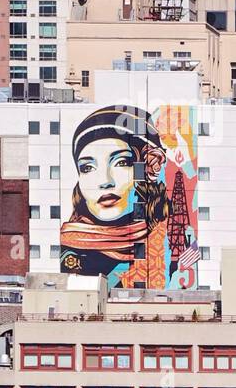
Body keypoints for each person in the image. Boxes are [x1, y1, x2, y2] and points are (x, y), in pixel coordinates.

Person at [58, 106, 175, 287]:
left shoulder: (171, 239)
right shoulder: (72, 247)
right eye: (87, 168)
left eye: (122, 162)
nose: (105, 181)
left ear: (148, 167)